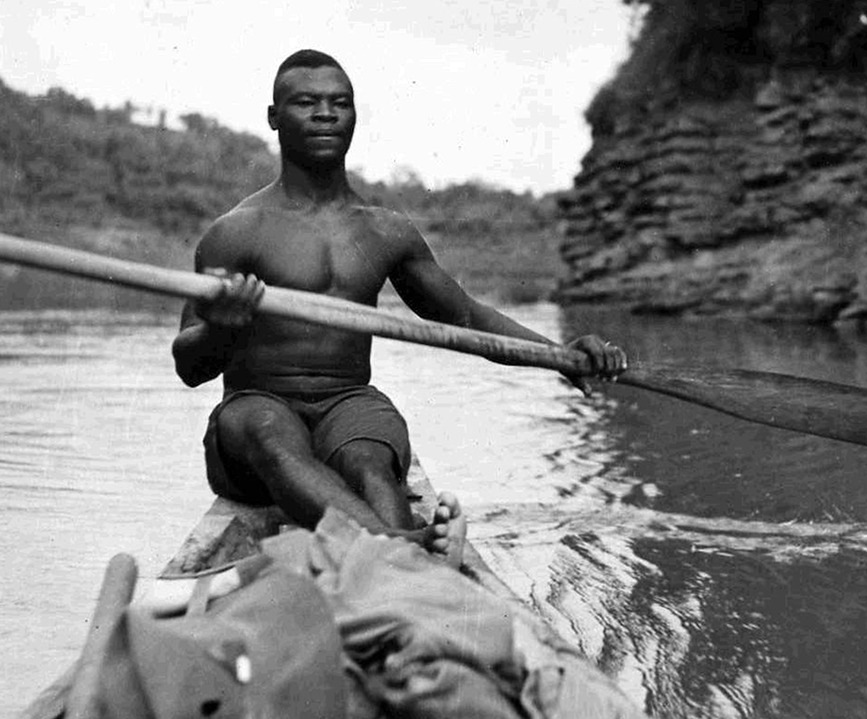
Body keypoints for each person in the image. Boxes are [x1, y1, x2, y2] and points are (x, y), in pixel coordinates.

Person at [172, 49, 626, 550]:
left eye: (339, 103)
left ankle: (393, 550)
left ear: (354, 117)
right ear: (274, 119)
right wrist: (222, 326)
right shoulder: (236, 232)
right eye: (306, 102)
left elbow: (465, 317)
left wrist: (561, 358)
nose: (326, 113)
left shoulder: (385, 231)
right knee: (269, 433)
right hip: (256, 412)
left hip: (346, 402)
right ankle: (403, 548)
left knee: (369, 460)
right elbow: (190, 366)